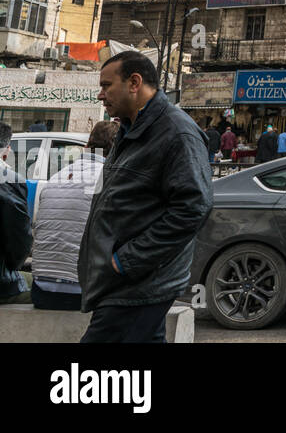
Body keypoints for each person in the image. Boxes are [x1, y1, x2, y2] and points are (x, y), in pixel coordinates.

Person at [79, 51, 213, 343]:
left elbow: (194, 208)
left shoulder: (177, 132)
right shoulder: (130, 129)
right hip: (122, 283)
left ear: (134, 82)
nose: (100, 95)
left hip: (139, 286)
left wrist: (127, 259)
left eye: (106, 85)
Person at [30, 120, 119, 310]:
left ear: (87, 146)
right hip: (82, 294)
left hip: (41, 291)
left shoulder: (56, 178)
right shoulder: (112, 181)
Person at [0, 122, 33, 305]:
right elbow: (20, 240)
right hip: (3, 284)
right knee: (39, 287)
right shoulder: (11, 181)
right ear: (7, 150)